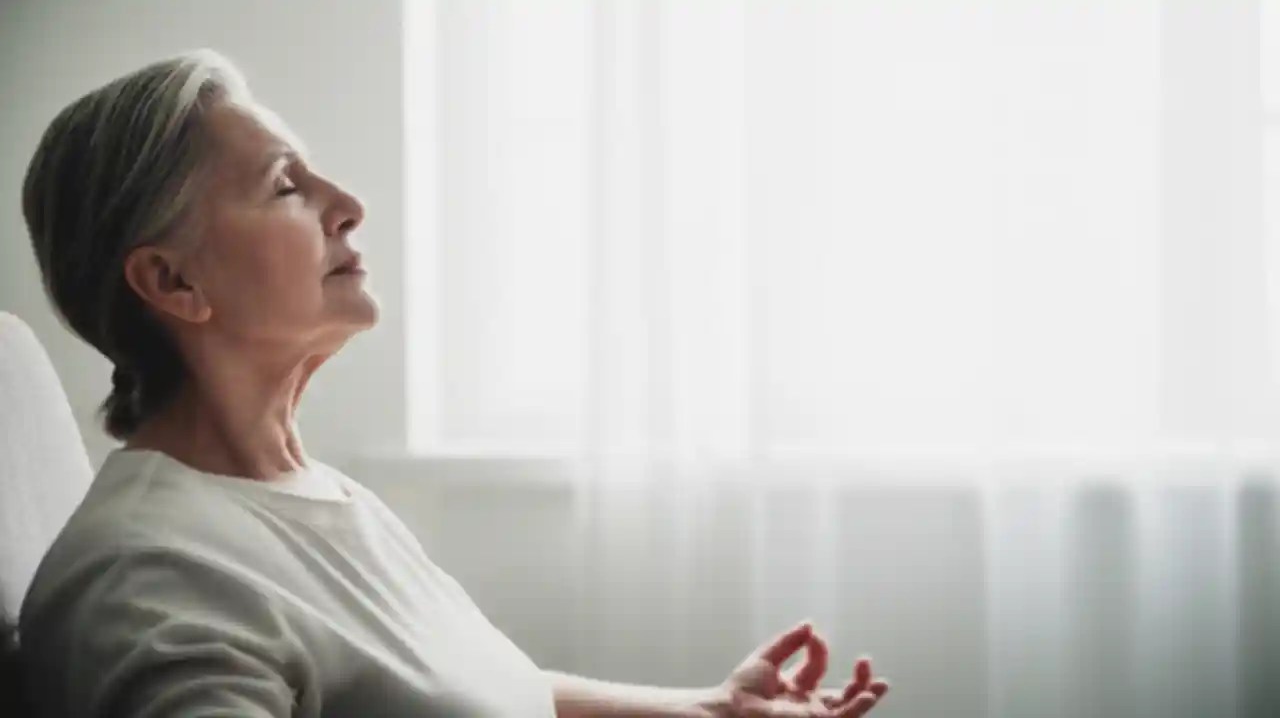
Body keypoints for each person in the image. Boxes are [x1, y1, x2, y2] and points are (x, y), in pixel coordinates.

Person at [16, 49, 891, 717]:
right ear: (174, 284)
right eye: (286, 185)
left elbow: (466, 694)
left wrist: (701, 709)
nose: (346, 202)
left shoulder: (312, 498)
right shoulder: (151, 583)